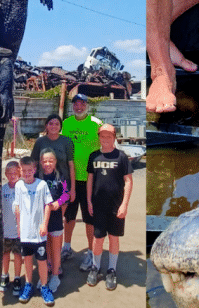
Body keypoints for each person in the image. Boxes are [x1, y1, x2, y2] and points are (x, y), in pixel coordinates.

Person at [85, 124, 133, 291]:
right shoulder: (93, 156)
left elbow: (128, 181)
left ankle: (111, 270)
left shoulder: (121, 157)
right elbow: (90, 180)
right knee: (98, 238)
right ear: (99, 137)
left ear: (114, 138)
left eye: (109, 136)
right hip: (98, 206)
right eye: (102, 136)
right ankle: (95, 267)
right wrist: (89, 201)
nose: (105, 139)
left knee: (114, 237)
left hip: (116, 206)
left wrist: (125, 204)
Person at [60, 93, 103, 271]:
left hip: (90, 180)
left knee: (89, 218)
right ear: (73, 106)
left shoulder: (96, 123)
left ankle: (91, 253)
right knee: (68, 217)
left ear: (87, 105)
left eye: (82, 103)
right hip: (69, 180)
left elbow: (107, 146)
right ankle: (67, 247)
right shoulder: (66, 123)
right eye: (76, 104)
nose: (79, 107)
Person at [13, 156, 56, 306]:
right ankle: (28, 285)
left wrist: (44, 224)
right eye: (23, 171)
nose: (27, 173)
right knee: (27, 260)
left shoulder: (42, 184)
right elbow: (17, 207)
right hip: (25, 233)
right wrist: (18, 227)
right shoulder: (19, 186)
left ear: (34, 170)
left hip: (39, 234)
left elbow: (48, 205)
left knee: (42, 261)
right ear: (20, 171)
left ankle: (44, 287)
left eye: (29, 170)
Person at [39, 148, 70, 292]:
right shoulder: (37, 177)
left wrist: (59, 202)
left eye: (50, 161)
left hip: (56, 218)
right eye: (44, 161)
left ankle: (55, 275)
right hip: (40, 219)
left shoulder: (61, 177)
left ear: (55, 162)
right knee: (45, 248)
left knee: (56, 248)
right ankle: (45, 272)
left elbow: (66, 194)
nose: (47, 164)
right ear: (40, 162)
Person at [0, 161, 24, 296]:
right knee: (5, 254)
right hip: (5, 230)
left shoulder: (22, 188)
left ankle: (17, 278)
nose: (12, 175)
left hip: (18, 232)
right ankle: (4, 275)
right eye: (9, 173)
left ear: (19, 173)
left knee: (17, 255)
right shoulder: (3, 189)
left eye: (15, 173)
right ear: (5, 174)